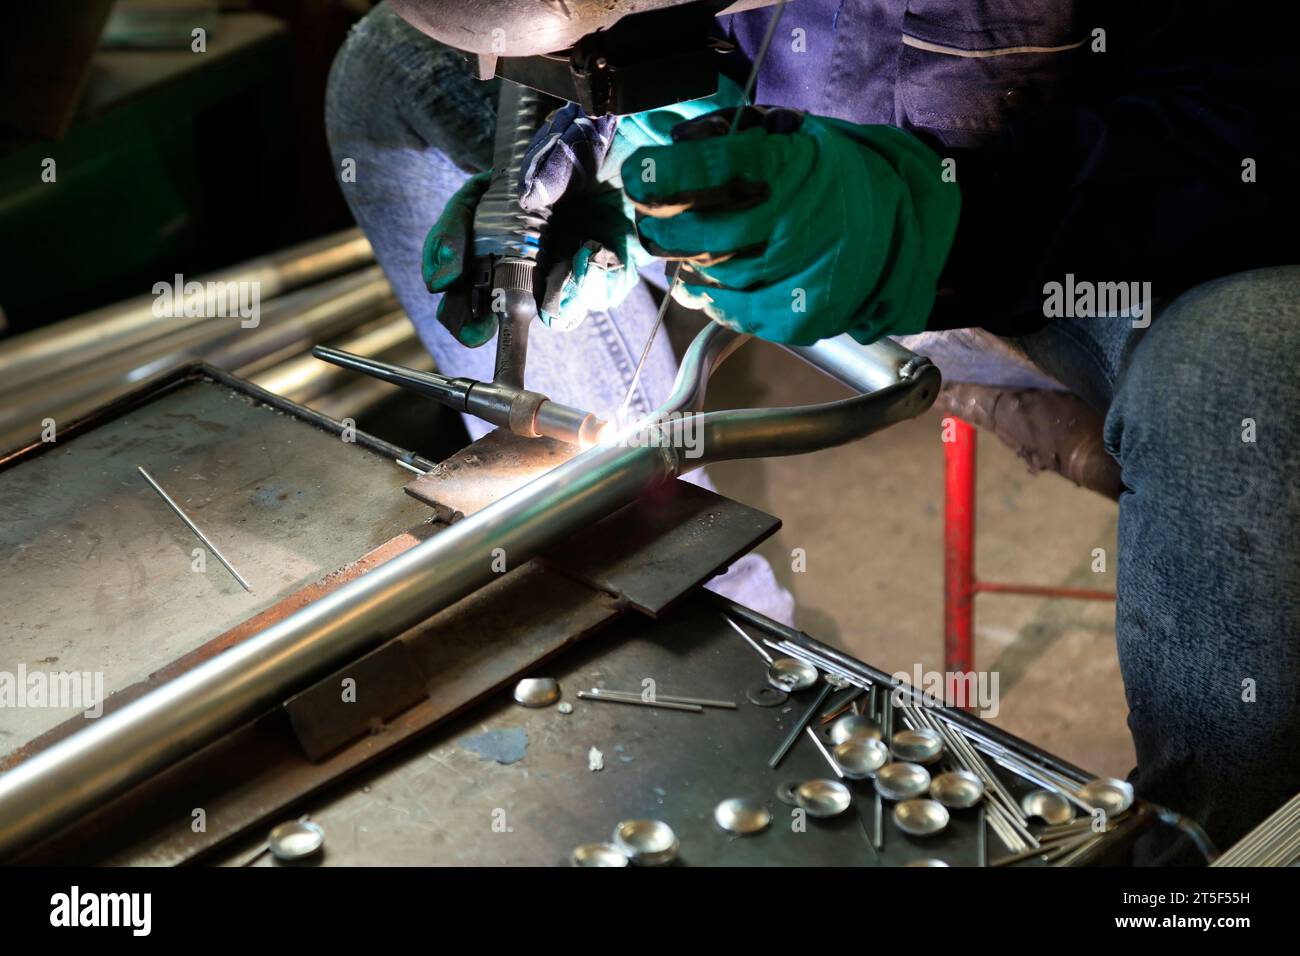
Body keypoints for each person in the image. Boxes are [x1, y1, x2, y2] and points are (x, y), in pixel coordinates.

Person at [326, 1, 1300, 863]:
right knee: (393, 72)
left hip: (1112, 257)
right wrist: (594, 155)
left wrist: (932, 220)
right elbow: (673, 57)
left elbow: (1251, 128)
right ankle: (710, 643)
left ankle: (1201, 853)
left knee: (1254, 357)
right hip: (800, 200)